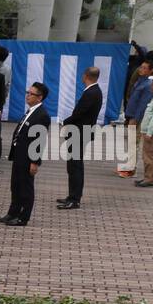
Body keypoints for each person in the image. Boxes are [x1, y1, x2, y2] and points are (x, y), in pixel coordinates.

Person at [0, 81, 51, 227]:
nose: (27, 96)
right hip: (19, 154)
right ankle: (12, 213)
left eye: (31, 94)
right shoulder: (31, 111)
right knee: (16, 185)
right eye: (27, 92)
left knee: (26, 188)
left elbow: (39, 141)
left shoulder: (42, 115)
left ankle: (23, 217)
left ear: (39, 98)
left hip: (28, 157)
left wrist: (35, 162)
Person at [54, 66, 102, 211]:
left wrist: (64, 122)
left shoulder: (91, 93)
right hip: (81, 132)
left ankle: (74, 199)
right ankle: (72, 196)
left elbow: (79, 114)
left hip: (80, 133)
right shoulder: (95, 91)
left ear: (85, 75)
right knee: (73, 166)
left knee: (75, 167)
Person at [120, 58, 153, 178]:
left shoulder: (148, 85)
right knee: (131, 142)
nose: (141, 69)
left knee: (133, 142)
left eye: (144, 68)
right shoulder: (140, 81)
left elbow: (142, 104)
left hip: (137, 118)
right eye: (141, 67)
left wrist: (135, 119)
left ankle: (131, 169)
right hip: (131, 115)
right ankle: (128, 166)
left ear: (151, 71)